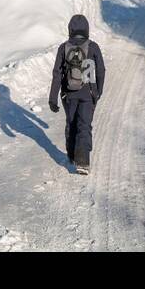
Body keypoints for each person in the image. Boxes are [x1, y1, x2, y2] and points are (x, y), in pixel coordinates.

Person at [48, 14, 105, 175]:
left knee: (71, 123)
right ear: (86, 29)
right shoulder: (93, 46)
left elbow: (57, 74)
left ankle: (73, 156)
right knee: (84, 125)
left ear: (70, 29)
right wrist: (98, 91)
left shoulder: (63, 47)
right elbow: (101, 70)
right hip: (87, 93)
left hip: (68, 94)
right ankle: (83, 162)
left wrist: (53, 98)